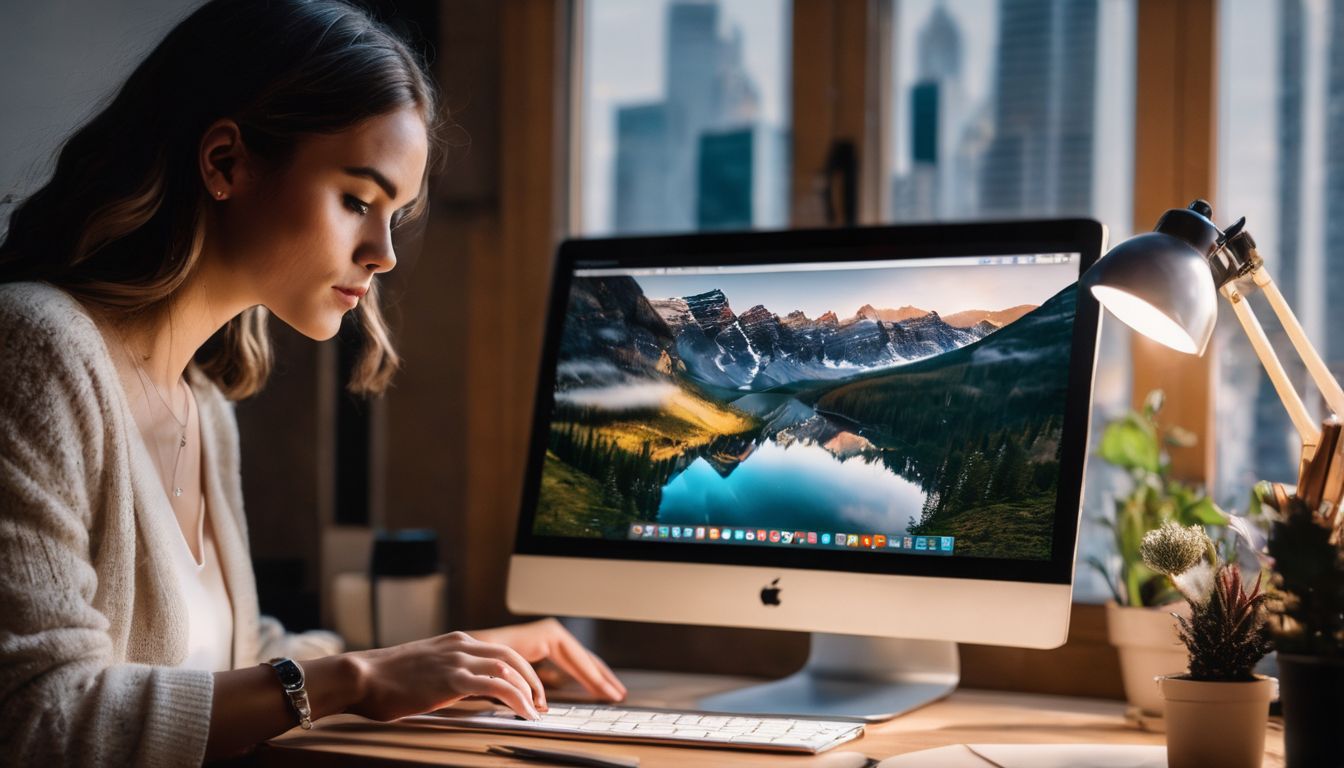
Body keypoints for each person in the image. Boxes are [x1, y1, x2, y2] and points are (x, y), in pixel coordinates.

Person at [0, 0, 625, 764]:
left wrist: (451, 659)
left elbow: (229, 663)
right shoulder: (36, 348)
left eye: (394, 214)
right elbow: (37, 717)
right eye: (358, 200)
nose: (384, 253)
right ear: (226, 162)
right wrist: (355, 677)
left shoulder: (202, 407)